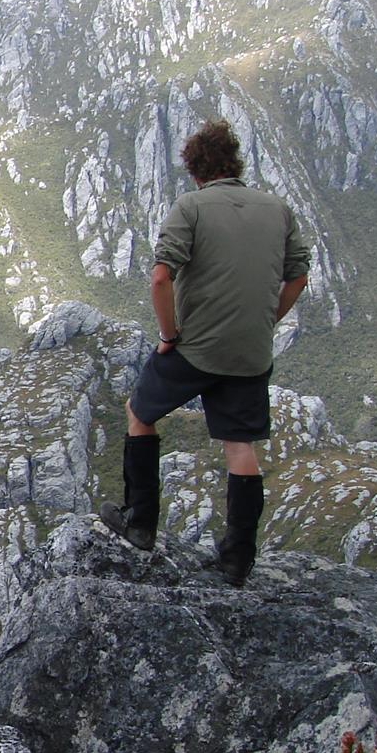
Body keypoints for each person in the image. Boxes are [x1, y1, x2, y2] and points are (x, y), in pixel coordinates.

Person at [100, 119, 312, 585]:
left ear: (194, 170)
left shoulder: (191, 208)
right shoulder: (278, 209)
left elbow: (161, 277)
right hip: (251, 352)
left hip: (196, 347)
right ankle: (238, 558)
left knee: (139, 412)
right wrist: (268, 320)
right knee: (239, 444)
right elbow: (298, 275)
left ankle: (139, 522)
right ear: (235, 162)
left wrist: (168, 334)